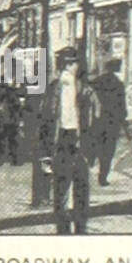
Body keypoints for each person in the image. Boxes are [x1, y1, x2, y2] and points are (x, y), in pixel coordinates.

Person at [41, 47, 99, 235]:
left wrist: (44, 153)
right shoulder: (80, 89)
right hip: (71, 141)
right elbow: (96, 117)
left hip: (68, 141)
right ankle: (73, 229)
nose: (73, 68)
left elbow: (45, 120)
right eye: (72, 64)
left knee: (66, 188)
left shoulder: (58, 88)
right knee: (74, 188)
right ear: (71, 65)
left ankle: (70, 230)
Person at [89, 58, 128, 187]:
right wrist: (124, 122)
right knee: (108, 151)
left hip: (98, 121)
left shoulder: (96, 82)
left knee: (95, 147)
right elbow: (122, 106)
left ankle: (89, 169)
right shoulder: (118, 84)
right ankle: (102, 177)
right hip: (112, 122)